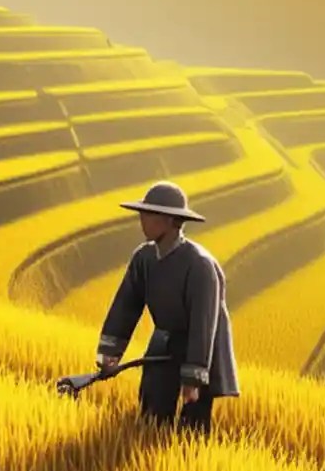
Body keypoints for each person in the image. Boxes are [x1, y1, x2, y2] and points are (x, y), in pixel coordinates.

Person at [95, 181, 240, 436]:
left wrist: (193, 377)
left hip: (199, 350)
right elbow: (127, 304)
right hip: (163, 342)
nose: (142, 220)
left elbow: (204, 325)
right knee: (152, 409)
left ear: (169, 221)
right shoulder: (144, 258)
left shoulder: (199, 265)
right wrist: (111, 351)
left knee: (192, 424)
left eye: (149, 215)